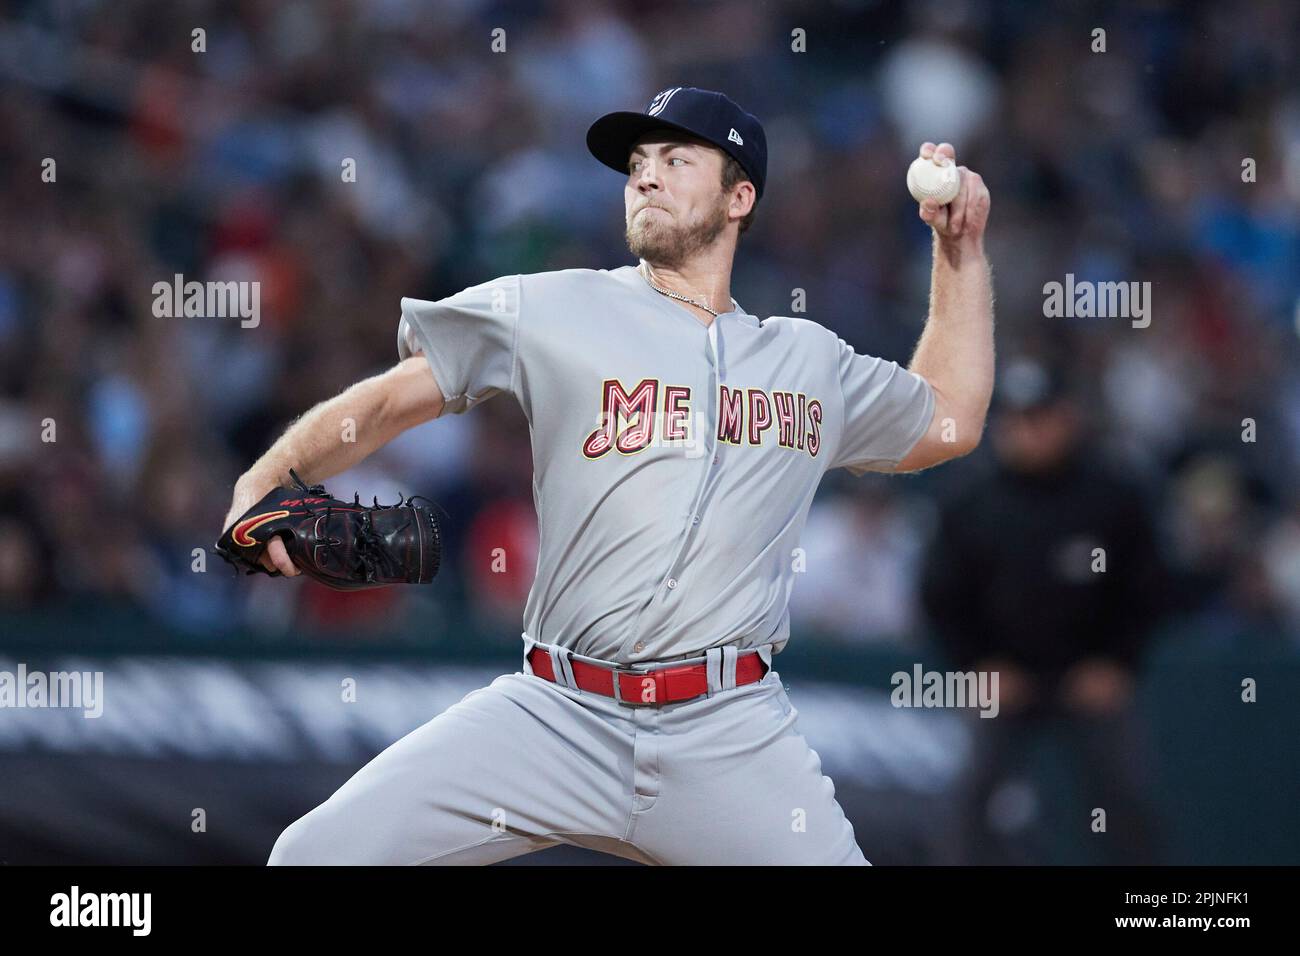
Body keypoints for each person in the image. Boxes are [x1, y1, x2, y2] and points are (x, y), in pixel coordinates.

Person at [223, 87, 994, 865]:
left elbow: (949, 418)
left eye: (674, 159)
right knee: (312, 857)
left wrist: (957, 250)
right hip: (556, 712)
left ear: (740, 196)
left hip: (727, 732)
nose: (645, 178)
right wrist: (266, 479)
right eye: (636, 165)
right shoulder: (557, 305)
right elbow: (392, 399)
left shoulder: (809, 359)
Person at [919, 356, 1169, 864]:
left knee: (1128, 798)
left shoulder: (1113, 495)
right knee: (967, 797)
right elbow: (940, 597)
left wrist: (1118, 662)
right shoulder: (971, 502)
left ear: (1067, 418)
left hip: (1090, 672)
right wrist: (976, 665)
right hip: (1002, 674)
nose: (1025, 431)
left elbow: (1147, 589)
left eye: (1038, 417)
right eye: (1013, 420)